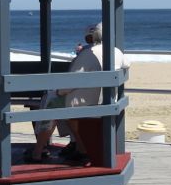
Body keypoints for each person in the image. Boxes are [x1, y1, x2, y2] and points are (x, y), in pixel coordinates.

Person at [25, 22, 125, 163]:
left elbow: (71, 82)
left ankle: (38, 151)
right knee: (58, 103)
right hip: (105, 102)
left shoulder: (88, 54)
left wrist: (59, 91)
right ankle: (79, 147)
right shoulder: (116, 52)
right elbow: (127, 63)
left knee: (52, 102)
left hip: (83, 105)